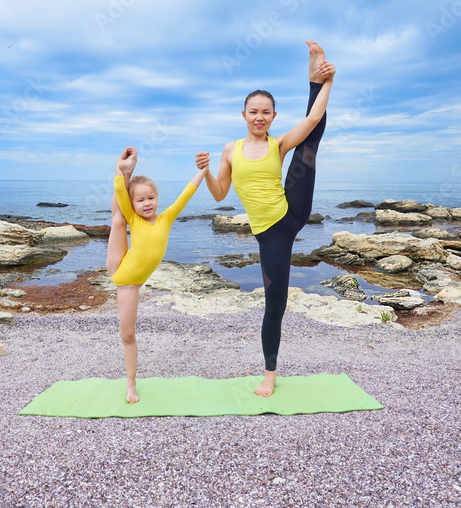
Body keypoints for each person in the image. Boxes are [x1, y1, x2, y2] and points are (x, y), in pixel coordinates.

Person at [196, 40, 335, 397]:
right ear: (243, 115)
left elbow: (313, 119)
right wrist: (207, 171)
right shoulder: (231, 150)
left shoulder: (277, 144)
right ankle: (270, 372)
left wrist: (328, 83)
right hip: (271, 234)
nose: (260, 116)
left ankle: (313, 78)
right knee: (276, 303)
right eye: (253, 111)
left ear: (273, 116)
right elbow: (219, 194)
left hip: (292, 211)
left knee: (311, 139)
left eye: (266, 112)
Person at [106, 147, 208, 403]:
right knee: (118, 216)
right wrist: (121, 171)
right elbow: (121, 195)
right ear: (135, 204)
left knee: (127, 335)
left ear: (157, 198)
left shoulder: (166, 218)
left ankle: (131, 380)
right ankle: (131, 383)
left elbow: (186, 194)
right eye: (140, 200)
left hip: (133, 281)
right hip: (123, 276)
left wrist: (204, 171)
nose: (147, 203)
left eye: (150, 198)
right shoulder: (134, 219)